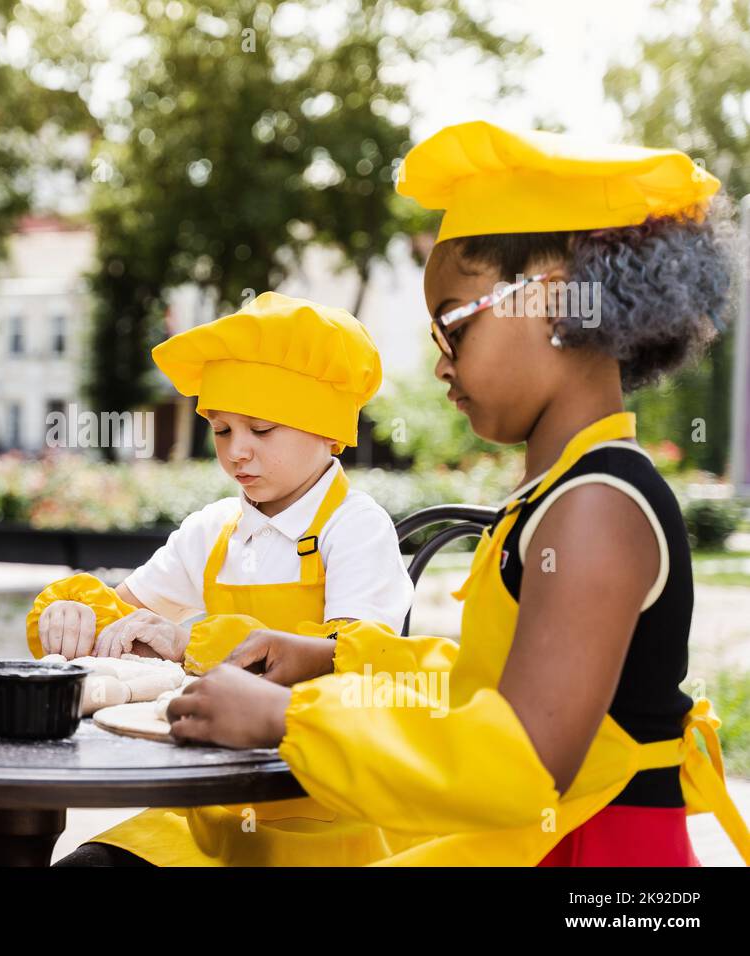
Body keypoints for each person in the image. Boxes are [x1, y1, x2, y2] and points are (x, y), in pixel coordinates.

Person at [162, 121, 750, 866]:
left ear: (557, 300)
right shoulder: (561, 493)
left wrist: (291, 720)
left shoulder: (595, 508)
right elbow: (486, 683)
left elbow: (523, 759)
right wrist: (327, 662)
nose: (441, 366)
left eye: (454, 327)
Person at [28, 292, 416, 866]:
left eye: (261, 429)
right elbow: (122, 613)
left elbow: (349, 662)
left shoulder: (356, 528)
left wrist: (194, 642)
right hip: (206, 813)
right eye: (222, 430)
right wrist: (73, 610)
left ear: (330, 434)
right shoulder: (213, 529)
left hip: (323, 818)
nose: (238, 452)